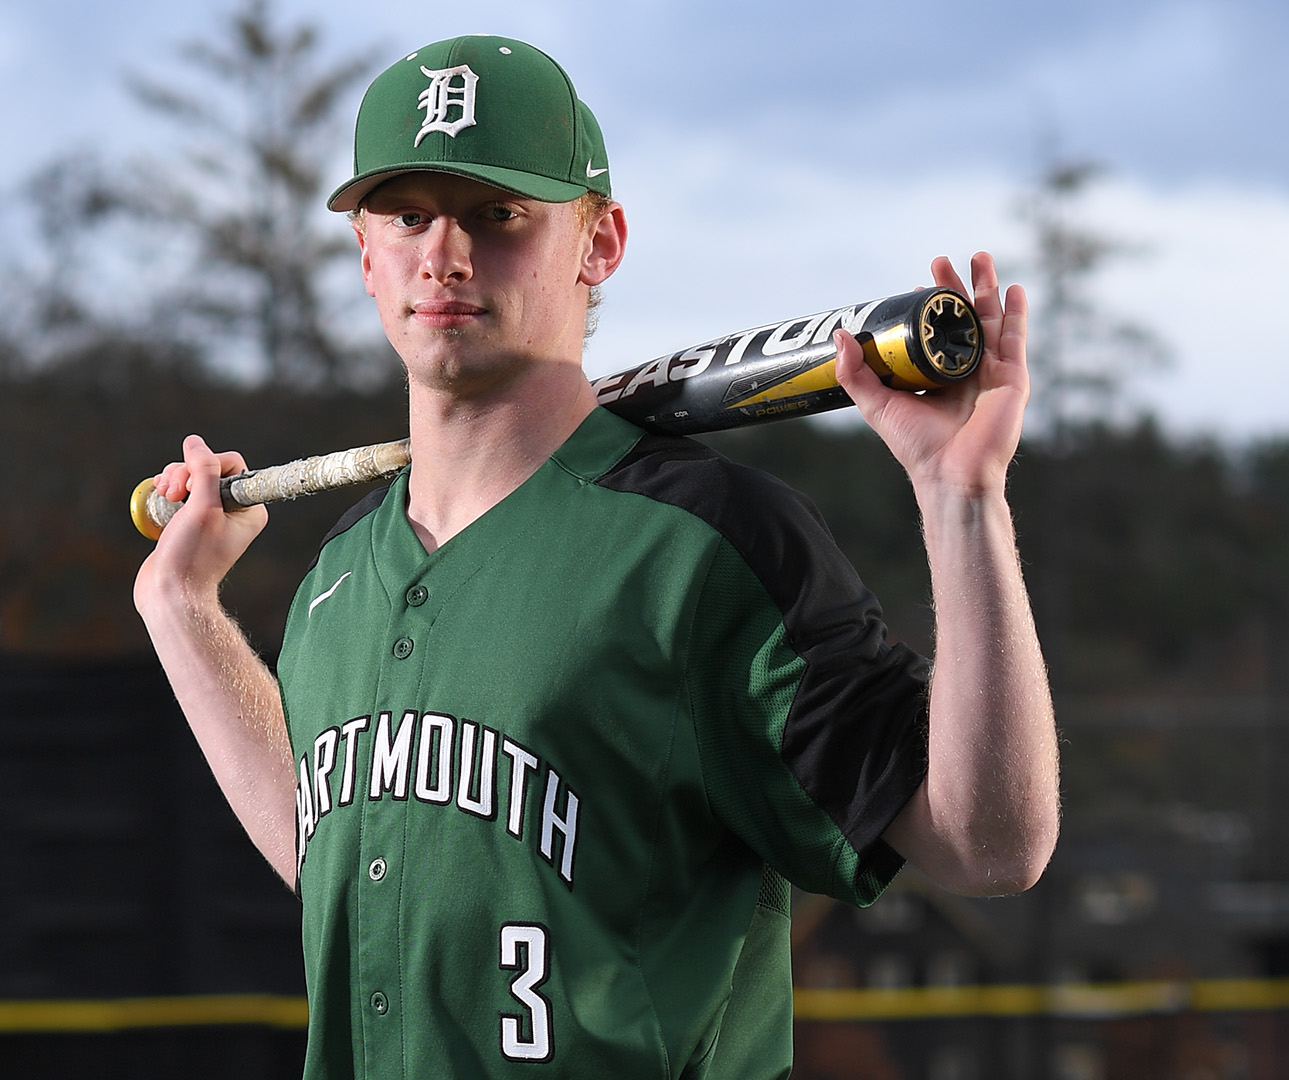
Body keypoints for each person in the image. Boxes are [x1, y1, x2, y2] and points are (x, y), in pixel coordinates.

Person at [135, 34, 1056, 1079]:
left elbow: (990, 846)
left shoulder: (705, 543)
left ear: (599, 242)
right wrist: (184, 612)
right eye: (408, 217)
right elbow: (337, 859)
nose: (446, 255)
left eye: (500, 215)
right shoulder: (338, 584)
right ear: (365, 254)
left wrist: (962, 500)